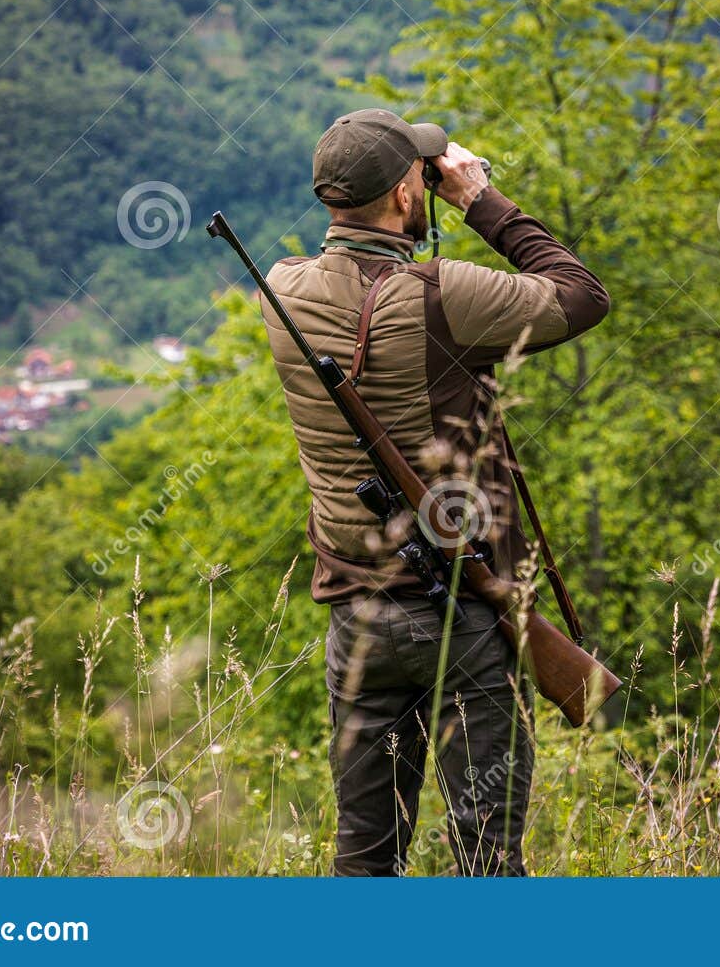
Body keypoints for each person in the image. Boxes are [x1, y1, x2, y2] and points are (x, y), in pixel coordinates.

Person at [259, 108, 610, 875]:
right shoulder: (444, 294)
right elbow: (582, 294)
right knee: (486, 864)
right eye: (421, 174)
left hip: (357, 622)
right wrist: (479, 199)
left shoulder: (280, 292)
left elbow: (353, 283)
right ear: (402, 194)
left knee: (363, 862)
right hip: (461, 619)